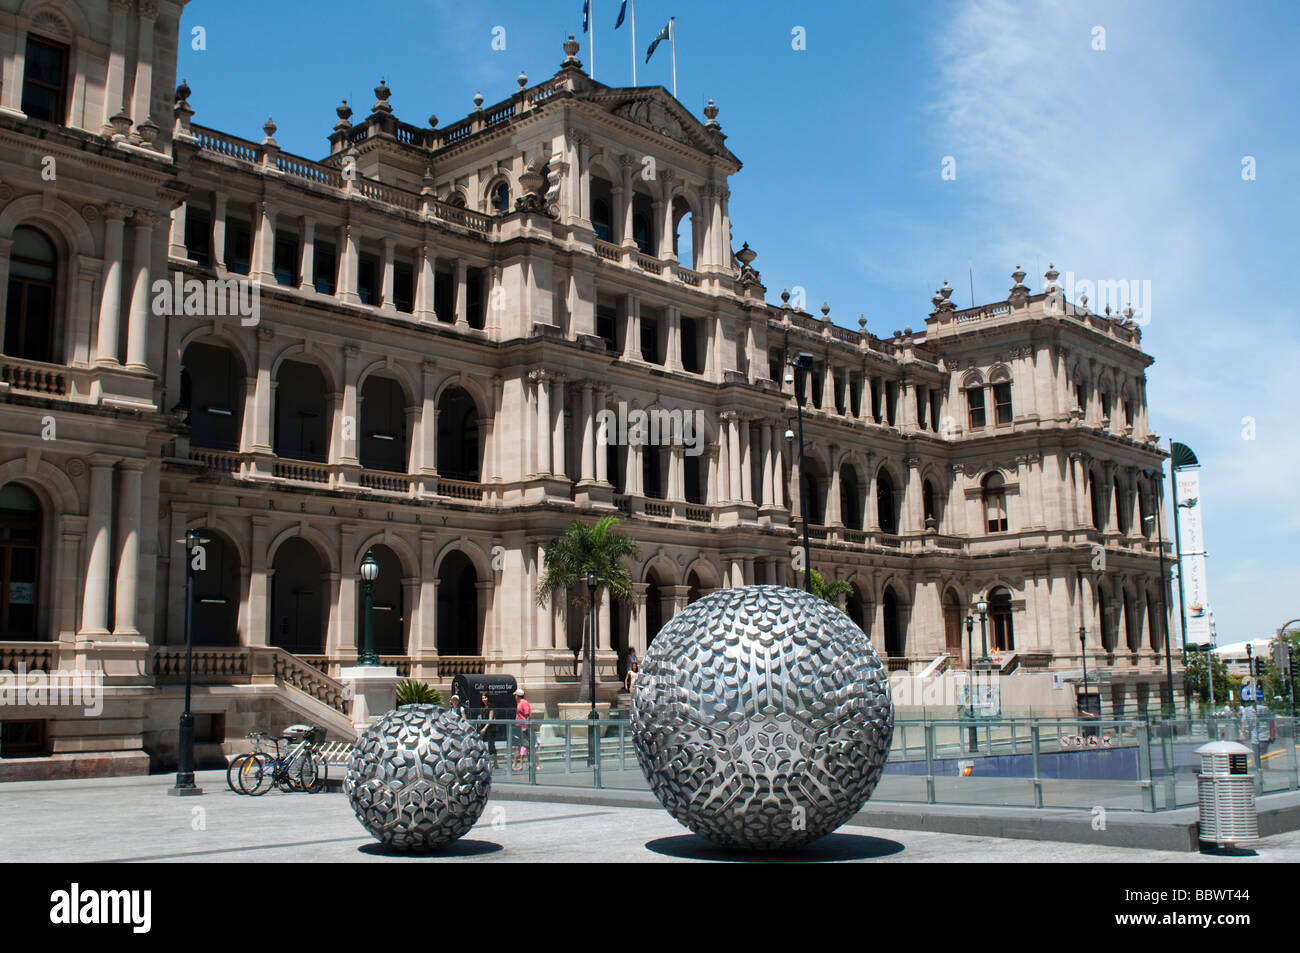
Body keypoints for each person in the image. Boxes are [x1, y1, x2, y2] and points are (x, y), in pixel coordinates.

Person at [477, 691, 499, 768]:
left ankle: (495, 763)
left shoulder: (490, 707)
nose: (484, 699)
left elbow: (490, 719)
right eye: (483, 698)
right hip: (483, 727)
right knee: (482, 744)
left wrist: (484, 728)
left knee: (491, 745)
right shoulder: (482, 707)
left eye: (485, 697)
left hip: (491, 728)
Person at [512, 687, 532, 771]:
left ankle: (526, 763)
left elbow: (527, 715)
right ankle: (514, 764)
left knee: (525, 746)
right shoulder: (519, 703)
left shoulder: (524, 703)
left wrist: (525, 726)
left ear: (518, 695)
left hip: (523, 727)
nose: (514, 696)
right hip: (518, 726)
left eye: (515, 695)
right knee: (517, 746)